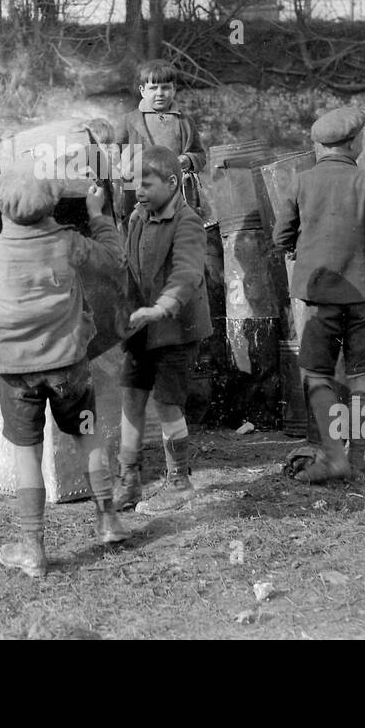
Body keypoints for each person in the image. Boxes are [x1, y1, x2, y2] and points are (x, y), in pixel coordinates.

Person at [0, 168, 129, 579]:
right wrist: (98, 215)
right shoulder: (68, 243)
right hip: (70, 369)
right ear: (50, 208)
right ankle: (109, 519)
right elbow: (114, 260)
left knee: (28, 456)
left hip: (16, 374)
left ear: (1, 209)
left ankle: (33, 549)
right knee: (88, 436)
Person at [271, 106, 365, 483]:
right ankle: (359, 461)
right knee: (362, 377)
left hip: (319, 296)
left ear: (319, 146)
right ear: (354, 143)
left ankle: (332, 457)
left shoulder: (299, 183)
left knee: (318, 376)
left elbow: (281, 238)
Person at [114, 146, 213, 514]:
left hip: (175, 330)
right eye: (133, 183)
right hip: (141, 328)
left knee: (168, 404)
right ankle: (129, 479)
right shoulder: (139, 216)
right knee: (131, 399)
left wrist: (160, 308)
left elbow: (187, 273)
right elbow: (129, 266)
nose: (137, 191)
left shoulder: (187, 222)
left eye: (146, 184)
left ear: (172, 183)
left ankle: (179, 481)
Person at [114, 59, 207, 217]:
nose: (160, 93)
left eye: (165, 88)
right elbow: (113, 150)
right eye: (153, 88)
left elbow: (199, 154)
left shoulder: (184, 122)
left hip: (176, 195)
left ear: (174, 89)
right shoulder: (129, 121)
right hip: (139, 194)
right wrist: (120, 166)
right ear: (142, 90)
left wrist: (188, 159)